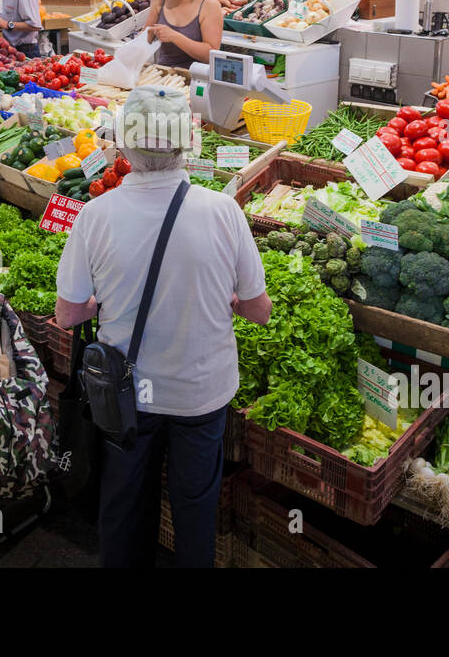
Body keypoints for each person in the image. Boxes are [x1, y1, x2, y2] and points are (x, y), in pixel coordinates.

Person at [55, 85, 271, 568]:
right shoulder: (223, 211)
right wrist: (226, 298)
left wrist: (106, 302)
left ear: (124, 146)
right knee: (195, 509)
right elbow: (260, 309)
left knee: (126, 505)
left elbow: (68, 314)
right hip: (201, 394)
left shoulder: (94, 216)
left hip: (129, 394)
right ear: (185, 146)